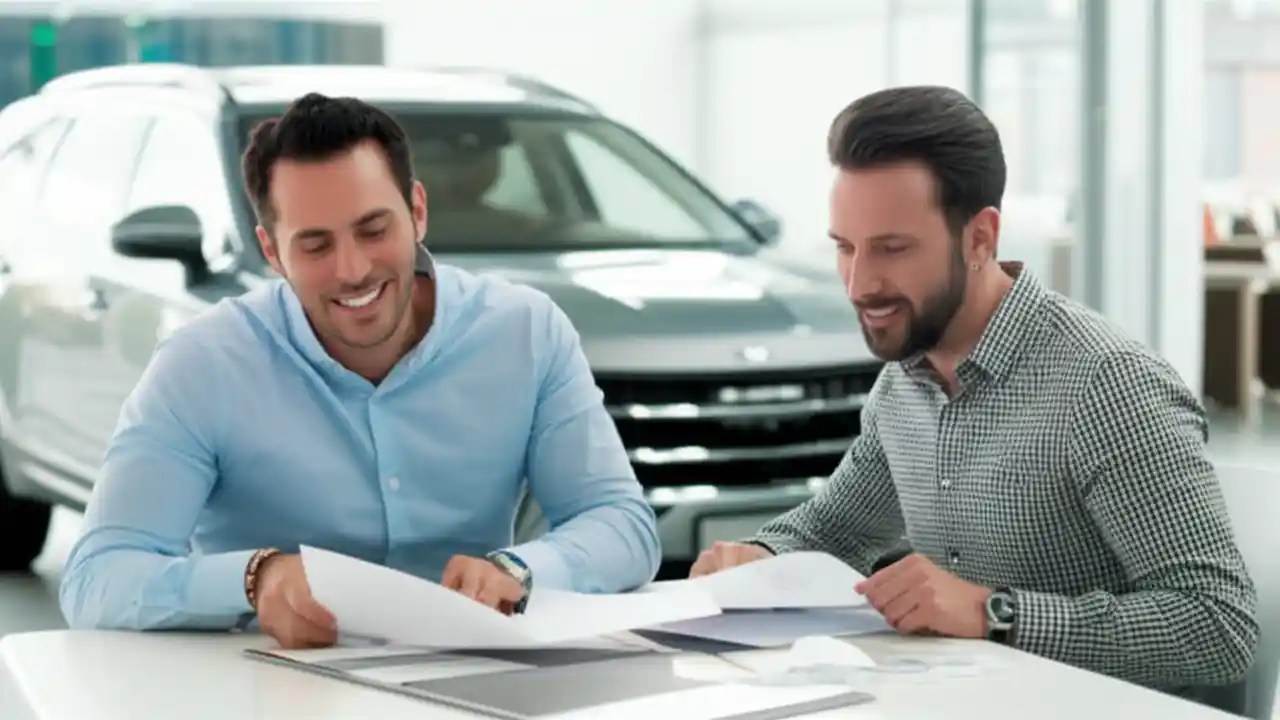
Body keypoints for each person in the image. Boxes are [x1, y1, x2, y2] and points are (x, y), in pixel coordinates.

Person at [690, 86, 1258, 693]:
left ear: (981, 238)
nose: (859, 284)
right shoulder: (905, 384)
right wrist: (758, 559)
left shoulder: (1107, 385)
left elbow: (1219, 628)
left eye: (892, 248)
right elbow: (833, 530)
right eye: (845, 248)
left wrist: (994, 614)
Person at [60, 93, 661, 647]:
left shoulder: (526, 332)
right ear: (272, 252)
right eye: (316, 245)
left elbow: (621, 524)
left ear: (417, 211)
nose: (352, 270)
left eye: (374, 230)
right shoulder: (203, 364)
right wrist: (255, 578)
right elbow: (97, 577)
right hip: (266, 690)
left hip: (476, 676)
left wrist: (522, 570)